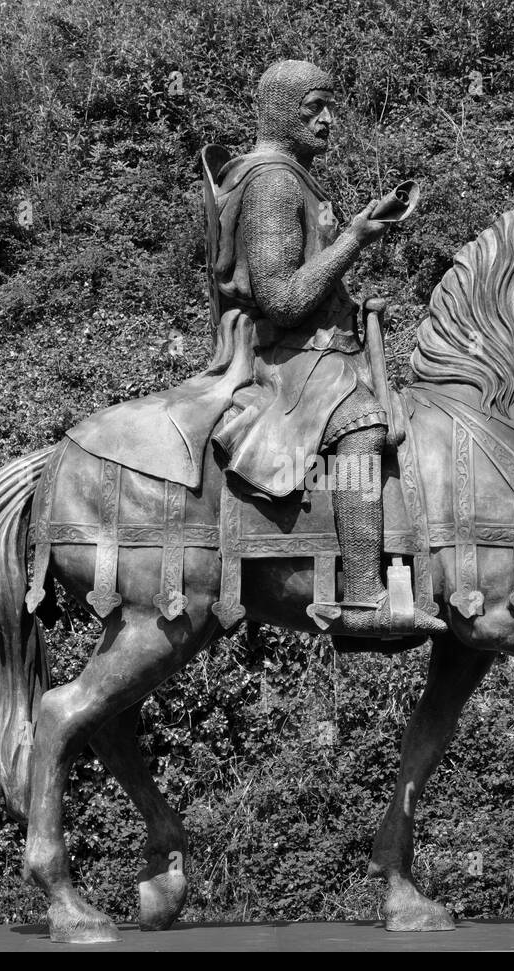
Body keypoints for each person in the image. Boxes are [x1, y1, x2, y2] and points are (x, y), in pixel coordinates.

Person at [207, 59, 442, 634]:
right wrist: (356, 238)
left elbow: (310, 281)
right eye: (314, 109)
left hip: (321, 350)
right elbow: (283, 299)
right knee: (362, 422)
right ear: (284, 113)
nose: (328, 121)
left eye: (329, 108)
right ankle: (364, 597)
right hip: (289, 360)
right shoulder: (271, 180)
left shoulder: (295, 178)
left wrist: (356, 293)